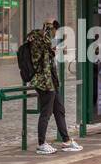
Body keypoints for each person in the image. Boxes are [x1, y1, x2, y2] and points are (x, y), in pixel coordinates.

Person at [25, 20, 82, 154]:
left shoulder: (43, 42)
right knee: (46, 112)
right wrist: (52, 49)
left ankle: (66, 140)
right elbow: (43, 61)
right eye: (56, 32)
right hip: (45, 83)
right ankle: (41, 143)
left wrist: (53, 50)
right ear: (52, 29)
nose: (56, 35)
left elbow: (46, 56)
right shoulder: (41, 40)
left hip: (51, 82)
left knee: (59, 110)